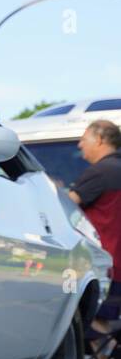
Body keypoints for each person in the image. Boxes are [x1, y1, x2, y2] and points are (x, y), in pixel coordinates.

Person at [69, 119, 121, 339]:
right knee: (106, 321)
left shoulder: (100, 171)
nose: (80, 145)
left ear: (99, 139)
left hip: (101, 269)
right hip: (116, 268)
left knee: (84, 323)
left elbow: (66, 206)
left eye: (84, 138)